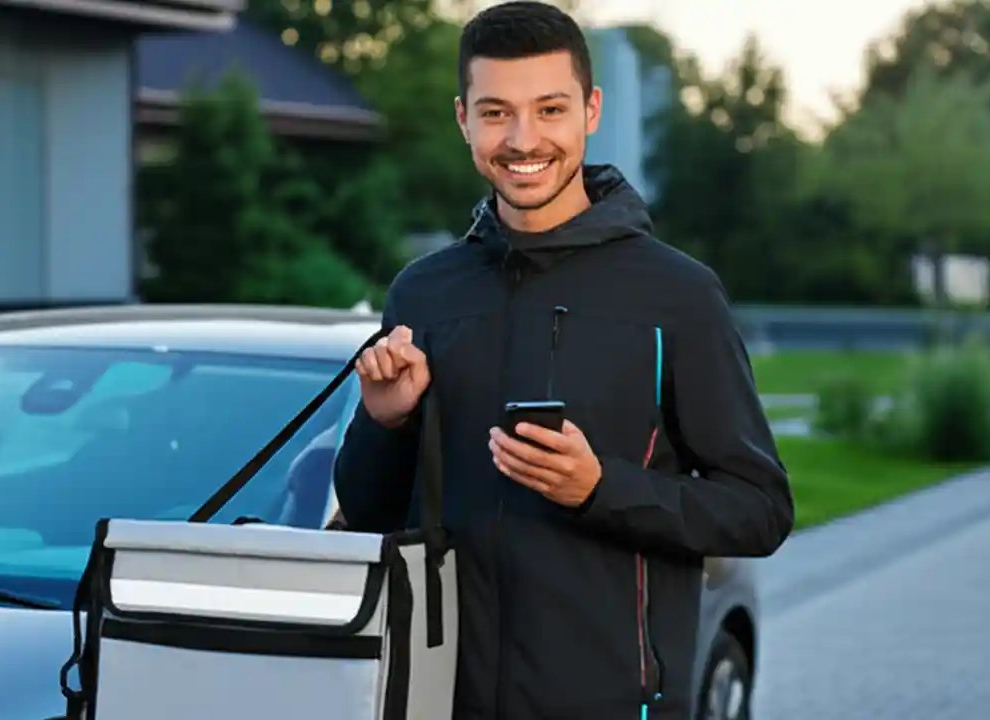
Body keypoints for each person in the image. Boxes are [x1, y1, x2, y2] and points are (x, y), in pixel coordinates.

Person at [332, 2, 794, 718]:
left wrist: (599, 488)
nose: (523, 140)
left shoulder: (677, 295)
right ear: (463, 119)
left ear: (591, 110)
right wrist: (383, 423)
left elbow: (760, 511)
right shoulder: (424, 293)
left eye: (550, 109)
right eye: (495, 113)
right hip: (441, 700)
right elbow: (368, 515)